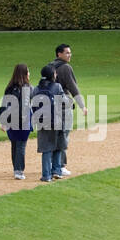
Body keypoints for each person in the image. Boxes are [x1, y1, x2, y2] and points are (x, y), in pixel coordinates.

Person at [44, 44, 84, 176]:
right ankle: (60, 165)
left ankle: (51, 164)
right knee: (64, 136)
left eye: (70, 53)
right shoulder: (66, 68)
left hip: (49, 105)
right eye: (67, 53)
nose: (69, 55)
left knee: (52, 136)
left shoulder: (49, 66)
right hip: (63, 104)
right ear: (59, 54)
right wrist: (82, 105)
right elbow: (73, 87)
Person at [31, 64, 70, 181]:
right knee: (58, 146)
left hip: (42, 122)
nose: (56, 74)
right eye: (55, 73)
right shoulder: (57, 87)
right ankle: (56, 171)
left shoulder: (36, 88)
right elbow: (65, 101)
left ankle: (46, 175)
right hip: (56, 121)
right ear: (52, 75)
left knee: (46, 149)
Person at [0, 63, 33, 180]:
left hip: (11, 121)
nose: (29, 74)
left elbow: (4, 105)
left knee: (14, 145)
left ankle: (16, 169)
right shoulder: (27, 87)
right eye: (28, 71)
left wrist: (2, 120)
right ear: (24, 73)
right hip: (23, 121)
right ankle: (19, 170)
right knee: (21, 145)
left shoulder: (9, 87)